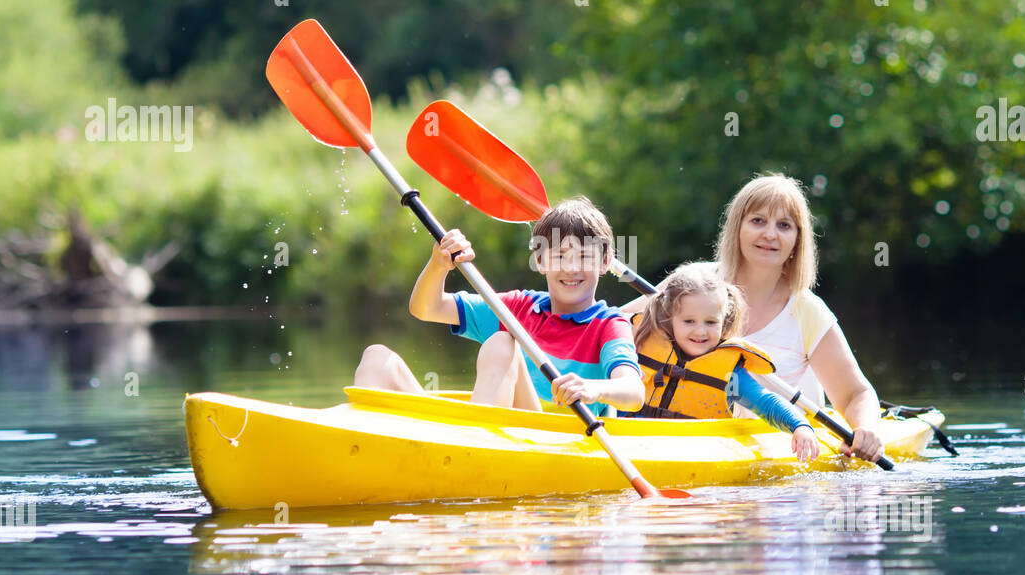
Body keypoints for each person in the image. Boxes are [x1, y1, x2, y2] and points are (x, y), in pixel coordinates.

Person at [624, 173, 885, 464]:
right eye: (758, 221)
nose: (770, 235)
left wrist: (867, 429)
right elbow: (613, 328)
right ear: (737, 228)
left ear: (797, 240)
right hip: (678, 436)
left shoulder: (808, 311)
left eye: (784, 225)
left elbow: (854, 394)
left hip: (776, 450)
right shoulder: (692, 284)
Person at [354, 197, 644, 416]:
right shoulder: (517, 307)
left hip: (554, 445)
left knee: (503, 342)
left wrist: (594, 388)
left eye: (584, 257)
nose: (571, 268)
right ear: (540, 262)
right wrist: (438, 265)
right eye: (559, 256)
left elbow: (634, 393)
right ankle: (358, 450)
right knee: (377, 358)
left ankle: (474, 449)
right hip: (498, 437)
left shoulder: (610, 324)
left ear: (605, 262)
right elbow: (426, 308)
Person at [627, 263, 820, 461]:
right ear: (670, 316)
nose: (701, 331)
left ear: (724, 319)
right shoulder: (641, 343)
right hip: (634, 441)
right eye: (689, 321)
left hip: (698, 454)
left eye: (711, 322)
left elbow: (765, 401)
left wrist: (800, 425)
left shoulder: (730, 375)